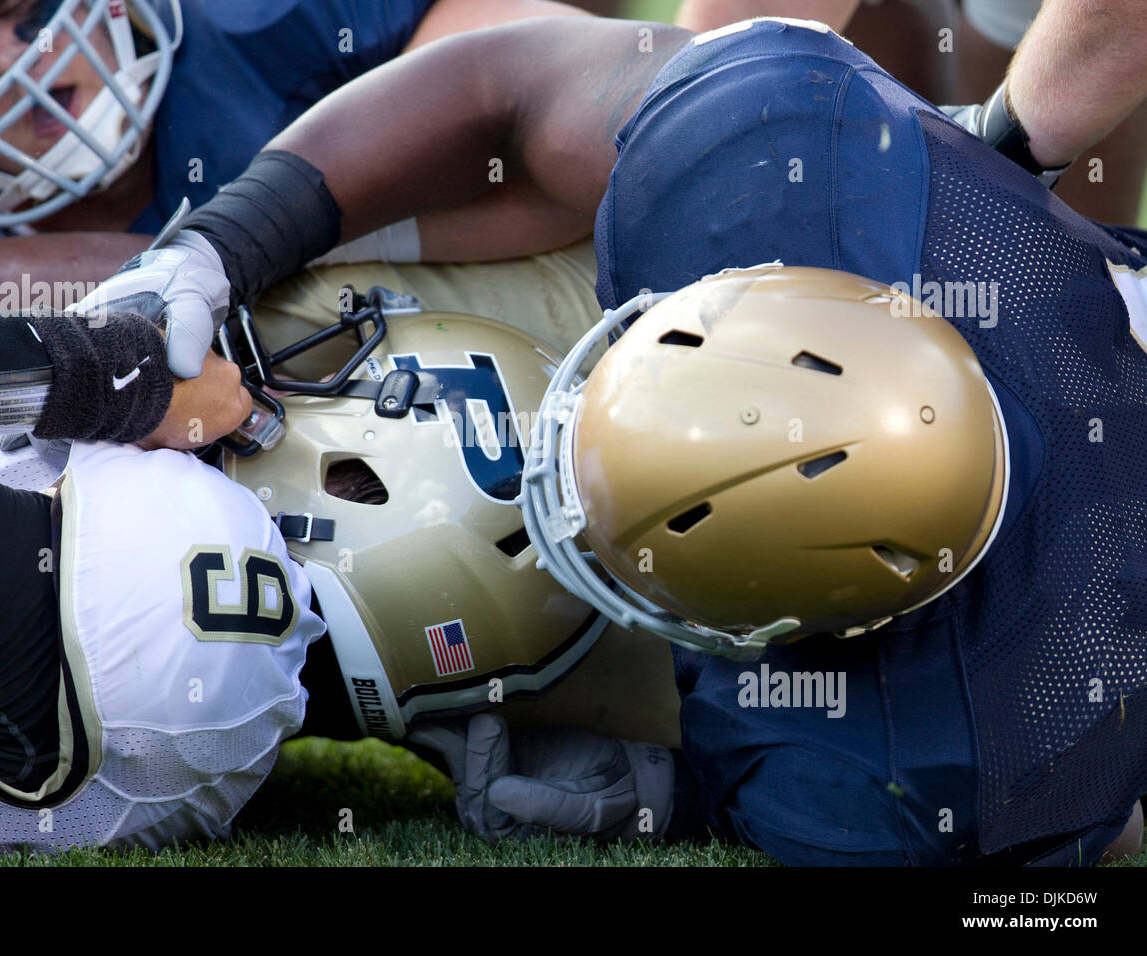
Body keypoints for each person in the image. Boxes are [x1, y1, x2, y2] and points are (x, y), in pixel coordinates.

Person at [77, 12, 1147, 864]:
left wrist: (678, 795)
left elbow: (506, 79)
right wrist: (997, 176)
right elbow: (502, 81)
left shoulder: (924, 775)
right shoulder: (935, 768)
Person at [0, 278, 680, 854]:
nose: (285, 377)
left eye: (331, 384)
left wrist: (110, 377)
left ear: (351, 486)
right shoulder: (228, 710)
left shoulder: (188, 572)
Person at [0, 0, 595, 309]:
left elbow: (560, 72)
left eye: (22, 11)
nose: (18, 66)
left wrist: (308, 227)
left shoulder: (254, 19)